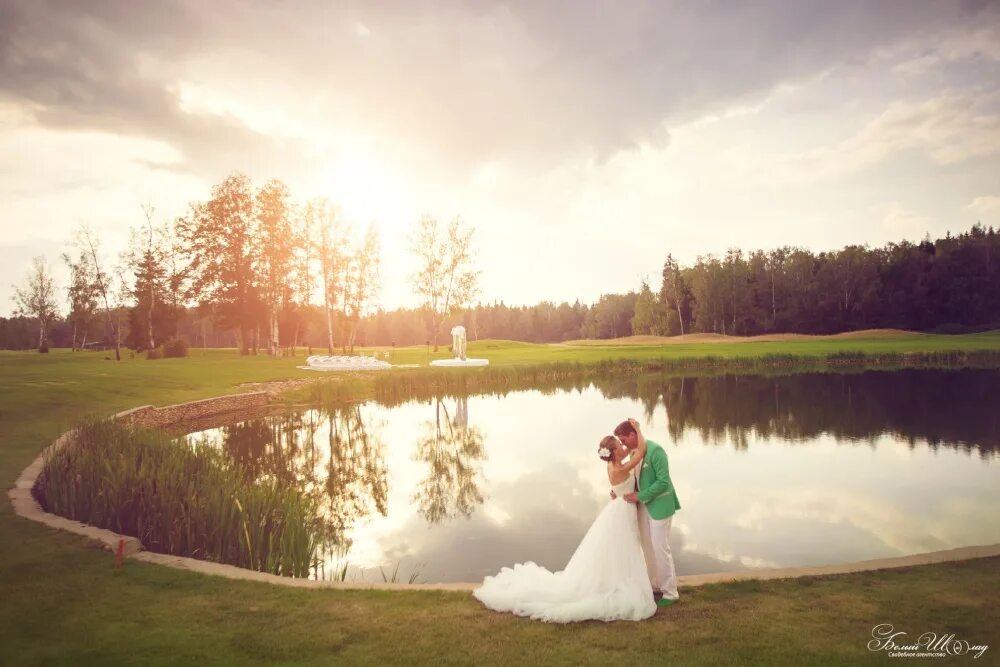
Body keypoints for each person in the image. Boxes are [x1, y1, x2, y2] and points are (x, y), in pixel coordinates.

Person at [472, 419, 657, 622]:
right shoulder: (620, 468)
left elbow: (618, 486)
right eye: (620, 446)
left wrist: (616, 491)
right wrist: (638, 429)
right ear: (613, 453)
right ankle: (620, 582)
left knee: (617, 549)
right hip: (622, 511)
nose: (624, 447)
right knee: (624, 547)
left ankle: (617, 578)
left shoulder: (614, 467)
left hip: (619, 509)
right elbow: (640, 452)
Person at [613, 419, 681, 605]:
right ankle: (655, 585)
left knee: (661, 548)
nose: (623, 444)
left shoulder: (656, 451)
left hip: (660, 506)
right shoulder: (636, 452)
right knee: (648, 548)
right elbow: (633, 477)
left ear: (633, 435)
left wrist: (640, 496)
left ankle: (670, 592)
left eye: (624, 439)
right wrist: (618, 490)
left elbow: (663, 482)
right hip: (643, 507)